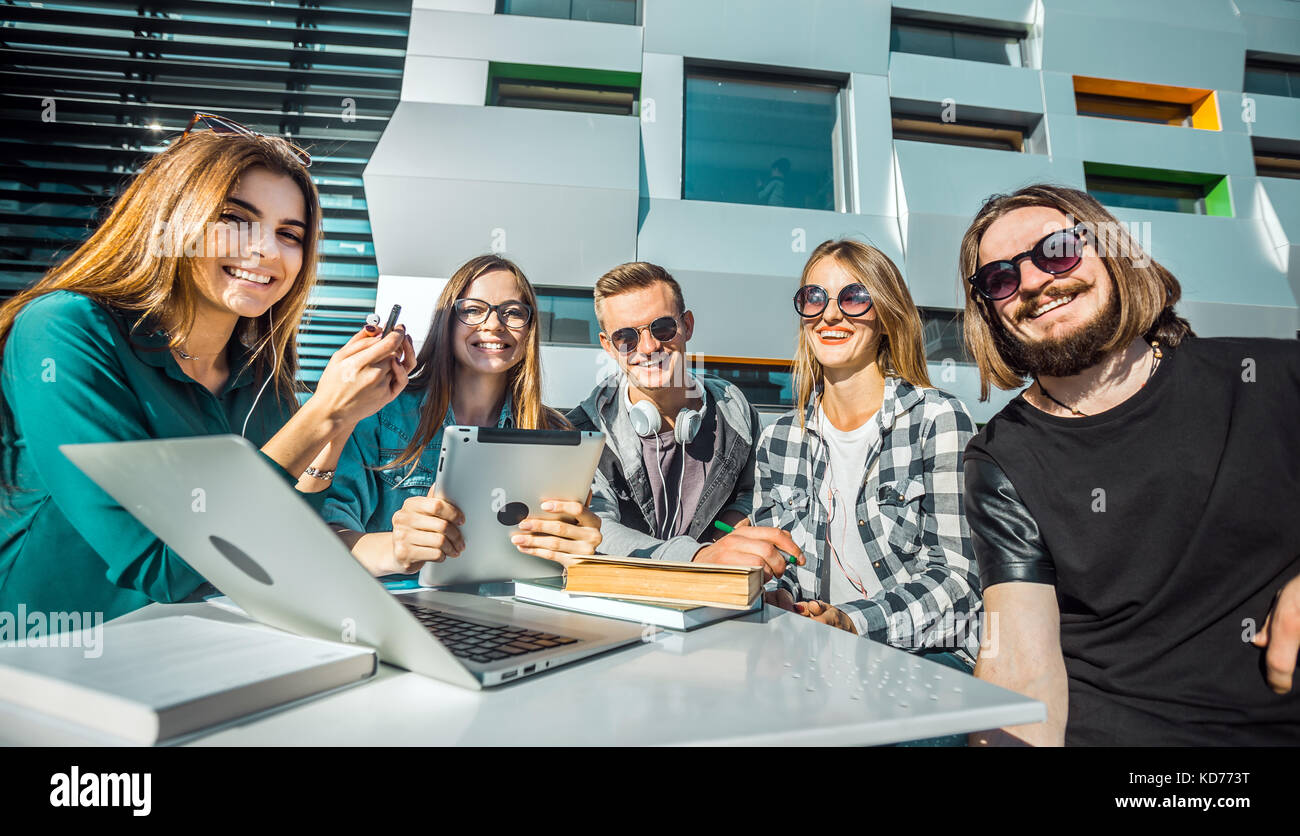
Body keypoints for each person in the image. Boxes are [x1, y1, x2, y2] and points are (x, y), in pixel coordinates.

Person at [0, 113, 414, 621]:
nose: (265, 250)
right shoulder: (64, 330)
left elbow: (286, 548)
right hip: (52, 666)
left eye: (290, 234)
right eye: (237, 219)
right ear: (173, 222)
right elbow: (163, 568)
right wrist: (322, 413)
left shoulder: (259, 376)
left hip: (198, 652)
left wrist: (342, 422)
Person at [958, 183, 1300, 746]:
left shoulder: (1268, 377)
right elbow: (1021, 667)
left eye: (1058, 249)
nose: (1036, 282)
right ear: (990, 313)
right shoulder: (1001, 456)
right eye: (1000, 278)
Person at [752, 239, 981, 668]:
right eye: (814, 298)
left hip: (928, 655)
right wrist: (779, 596)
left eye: (855, 298)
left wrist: (852, 623)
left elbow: (959, 582)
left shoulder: (937, 420)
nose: (831, 314)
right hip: (813, 654)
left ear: (887, 316)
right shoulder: (778, 441)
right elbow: (779, 569)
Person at [323, 255, 603, 577]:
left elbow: (561, 558)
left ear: (529, 330)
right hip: (397, 610)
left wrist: (576, 553)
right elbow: (327, 537)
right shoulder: (380, 413)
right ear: (448, 322)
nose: (494, 324)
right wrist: (396, 550)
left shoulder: (556, 433)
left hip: (512, 616)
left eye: (512, 313)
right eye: (473, 310)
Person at [568, 261, 801, 580]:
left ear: (687, 325)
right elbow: (597, 530)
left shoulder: (733, 410)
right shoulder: (584, 431)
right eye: (626, 338)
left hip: (714, 598)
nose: (648, 347)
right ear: (608, 346)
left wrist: (734, 523)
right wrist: (697, 557)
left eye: (662, 328)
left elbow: (757, 489)